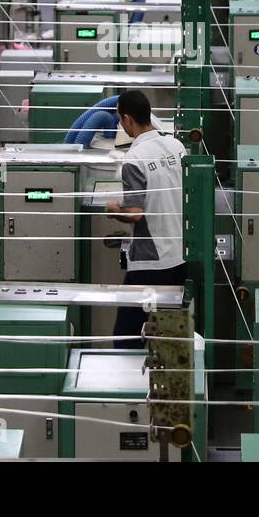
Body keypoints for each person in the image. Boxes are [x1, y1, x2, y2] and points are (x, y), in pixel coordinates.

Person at [104, 90, 187, 346]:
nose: (121, 125)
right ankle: (169, 384)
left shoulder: (134, 159)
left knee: (125, 338)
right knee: (170, 337)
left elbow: (136, 214)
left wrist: (114, 209)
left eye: (120, 120)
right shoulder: (177, 146)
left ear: (128, 119)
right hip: (180, 256)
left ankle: (128, 385)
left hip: (150, 262)